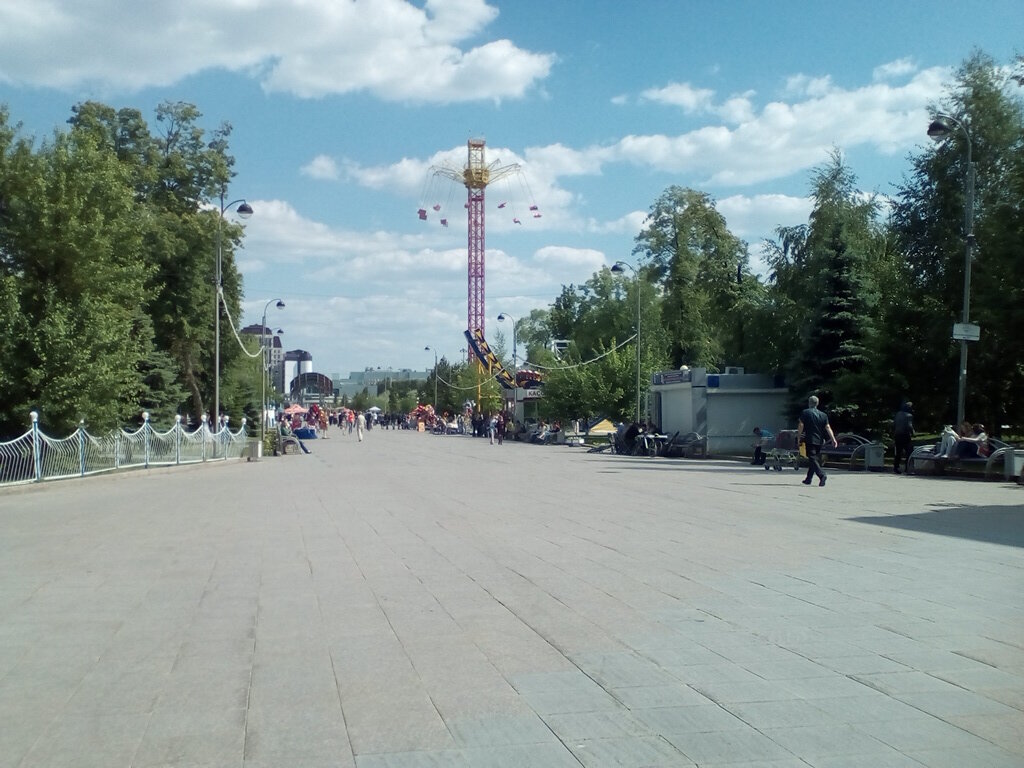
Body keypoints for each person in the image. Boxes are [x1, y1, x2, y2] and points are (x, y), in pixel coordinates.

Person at [797, 395, 837, 487]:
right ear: (817, 403)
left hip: (810, 439)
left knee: (812, 457)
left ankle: (821, 475)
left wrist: (799, 436)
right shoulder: (823, 415)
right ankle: (808, 479)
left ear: (809, 403)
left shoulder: (805, 412)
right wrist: (833, 439)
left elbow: (801, 425)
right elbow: (828, 427)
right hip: (820, 440)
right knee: (814, 458)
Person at [892, 401, 915, 474]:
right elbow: (909, 426)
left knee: (898, 452)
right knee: (909, 452)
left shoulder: (898, 414)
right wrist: (913, 432)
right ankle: (908, 468)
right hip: (905, 435)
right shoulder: (909, 415)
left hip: (897, 435)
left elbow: (894, 424)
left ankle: (896, 467)